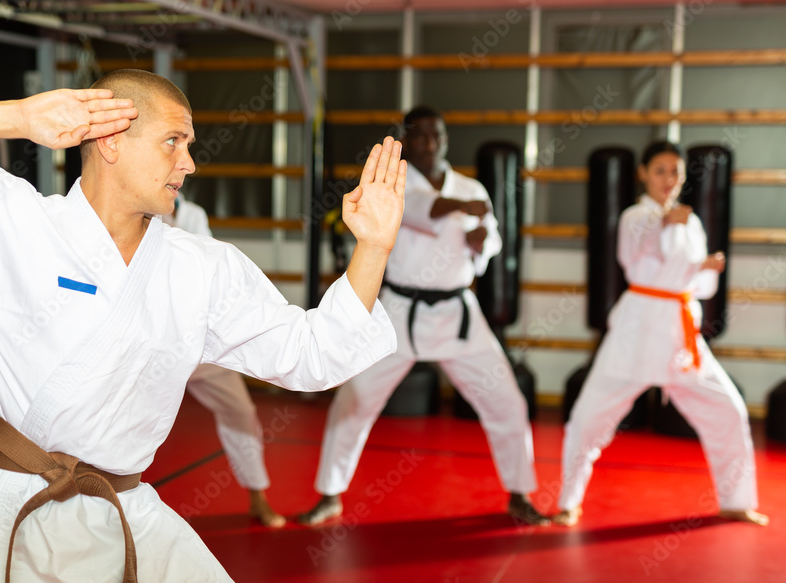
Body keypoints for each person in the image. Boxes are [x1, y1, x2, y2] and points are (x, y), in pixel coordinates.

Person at [0, 70, 405, 583]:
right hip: (12, 518)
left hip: (125, 518)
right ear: (110, 139)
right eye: (174, 141)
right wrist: (19, 117)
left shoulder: (202, 269)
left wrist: (372, 248)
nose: (189, 163)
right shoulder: (11, 222)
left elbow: (312, 354)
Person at [299, 105, 545, 527]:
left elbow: (492, 243)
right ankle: (330, 494)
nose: (430, 144)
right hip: (397, 311)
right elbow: (421, 211)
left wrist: (482, 239)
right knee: (354, 400)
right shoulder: (396, 185)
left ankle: (520, 493)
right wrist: (461, 210)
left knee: (507, 400)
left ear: (446, 141)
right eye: (421, 136)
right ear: (407, 141)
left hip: (457, 312)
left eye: (437, 136)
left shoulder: (472, 188)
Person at [553, 141, 768, 527]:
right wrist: (691, 255)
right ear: (642, 173)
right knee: (588, 416)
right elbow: (636, 258)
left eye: (675, 172)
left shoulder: (691, 220)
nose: (668, 180)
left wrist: (698, 265)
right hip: (636, 329)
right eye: (660, 171)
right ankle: (568, 501)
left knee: (729, 409)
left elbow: (704, 286)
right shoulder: (637, 217)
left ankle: (736, 501)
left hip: (679, 332)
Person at [161, 193, 285, 527]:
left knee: (241, 412)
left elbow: (200, 275)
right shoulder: (133, 208)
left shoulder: (193, 215)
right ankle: (111, 504)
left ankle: (258, 496)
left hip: (198, 341)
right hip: (153, 344)